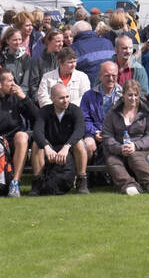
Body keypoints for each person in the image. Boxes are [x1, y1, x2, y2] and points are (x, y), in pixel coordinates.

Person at [102, 80, 149, 194]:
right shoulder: (113, 112)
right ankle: (129, 185)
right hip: (118, 149)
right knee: (112, 161)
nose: (133, 98)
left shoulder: (147, 112)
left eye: (136, 95)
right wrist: (119, 148)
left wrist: (135, 145)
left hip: (141, 149)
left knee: (135, 157)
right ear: (123, 95)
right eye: (130, 95)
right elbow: (107, 135)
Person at [30, 84, 89, 195]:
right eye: (62, 98)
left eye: (67, 97)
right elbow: (37, 132)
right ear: (52, 98)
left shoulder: (76, 110)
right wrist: (46, 146)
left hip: (69, 147)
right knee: (36, 144)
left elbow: (80, 131)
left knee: (80, 143)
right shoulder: (43, 112)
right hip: (50, 147)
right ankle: (37, 181)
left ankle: (82, 180)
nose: (65, 100)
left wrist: (66, 147)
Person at [0, 66, 39, 196]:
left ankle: (15, 183)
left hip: (13, 140)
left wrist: (24, 98)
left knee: (22, 136)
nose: (13, 84)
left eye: (13, 80)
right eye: (9, 81)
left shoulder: (16, 97)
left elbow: (37, 117)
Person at [80, 60, 123, 163]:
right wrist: (95, 132)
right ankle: (87, 174)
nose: (111, 79)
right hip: (95, 132)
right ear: (100, 76)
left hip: (117, 133)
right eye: (107, 76)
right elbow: (85, 119)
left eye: (114, 75)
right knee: (88, 145)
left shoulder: (123, 95)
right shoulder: (89, 95)